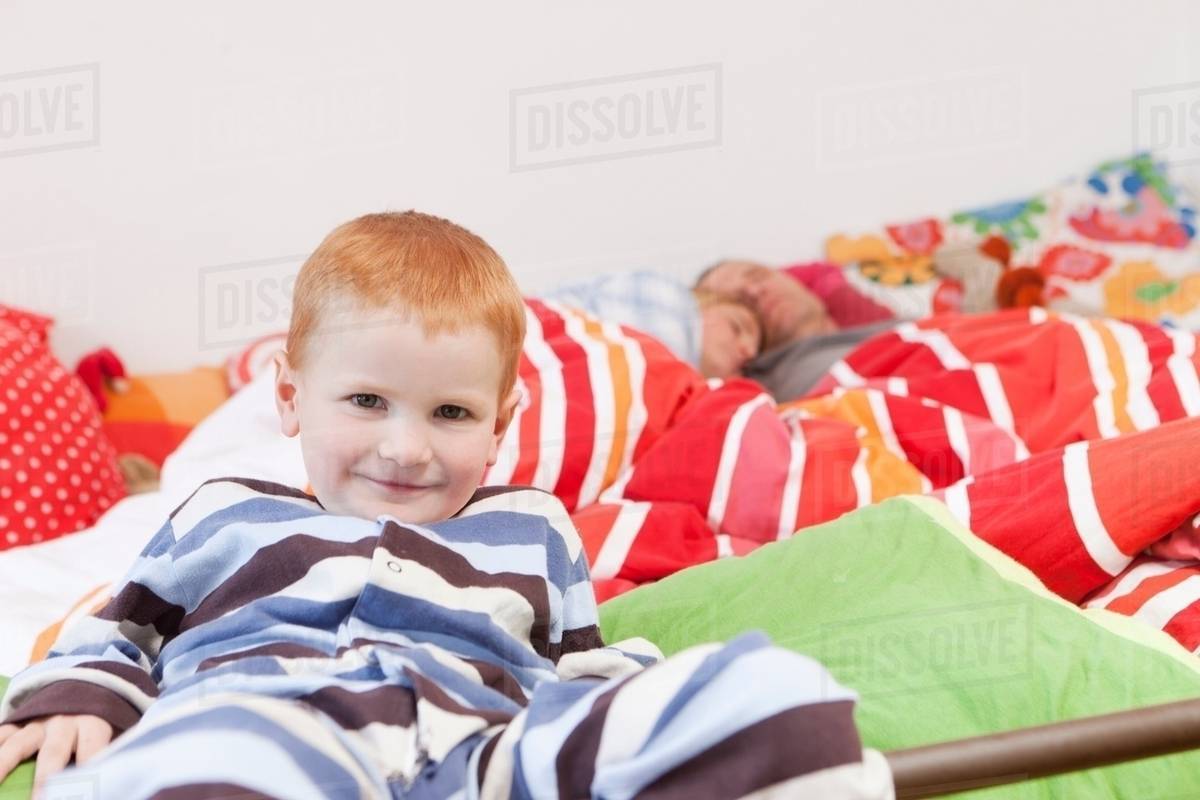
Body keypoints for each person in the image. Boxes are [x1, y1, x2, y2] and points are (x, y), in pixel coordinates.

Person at [0, 213, 889, 799]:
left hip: (478, 754)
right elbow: (116, 630)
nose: (406, 448)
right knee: (210, 759)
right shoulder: (223, 513)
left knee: (777, 698)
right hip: (270, 720)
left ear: (500, 425)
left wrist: (635, 703)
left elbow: (576, 664)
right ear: (290, 398)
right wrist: (81, 693)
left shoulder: (533, 527)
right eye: (366, 402)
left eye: (452, 414)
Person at [697, 260, 898, 402]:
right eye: (739, 300)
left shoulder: (888, 328)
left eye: (757, 276)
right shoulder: (784, 384)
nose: (754, 291)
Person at [540, 270, 762, 379]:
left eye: (747, 368)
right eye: (737, 327)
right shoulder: (668, 298)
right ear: (706, 301)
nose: (749, 351)